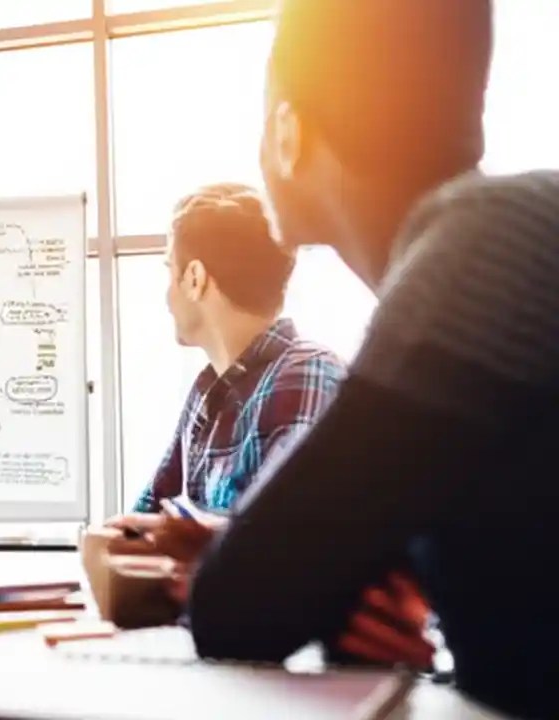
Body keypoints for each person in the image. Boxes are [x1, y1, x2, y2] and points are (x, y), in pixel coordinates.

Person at [185, 1, 559, 716]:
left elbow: (238, 607)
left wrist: (308, 560)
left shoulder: (487, 248)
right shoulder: (513, 233)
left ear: (287, 133)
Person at [124, 182, 345, 516]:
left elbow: (290, 532)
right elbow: (143, 518)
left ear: (195, 278)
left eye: (170, 271)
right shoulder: (208, 391)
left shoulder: (307, 376)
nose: (167, 297)